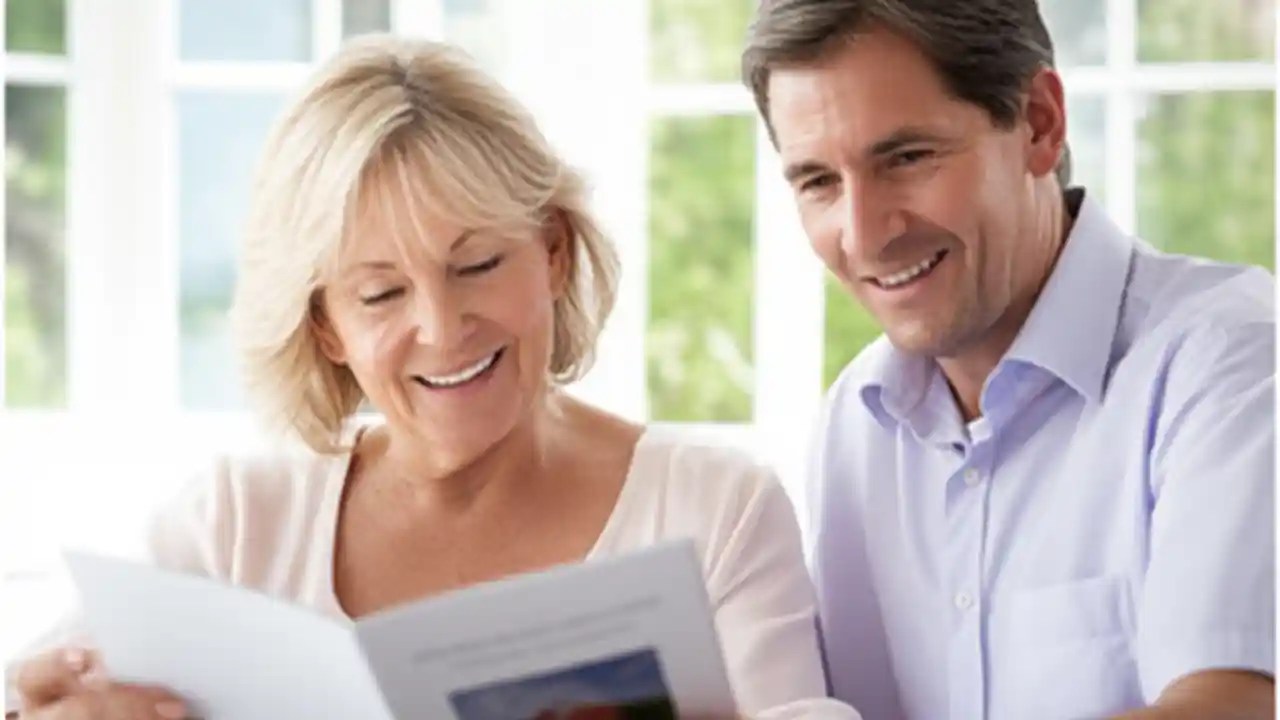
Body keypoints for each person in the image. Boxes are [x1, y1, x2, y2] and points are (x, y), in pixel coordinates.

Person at [7, 35, 858, 720]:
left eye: (479, 264)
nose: (444, 329)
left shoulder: (713, 509)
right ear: (325, 327)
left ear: (554, 252)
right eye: (380, 293)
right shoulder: (233, 525)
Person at [741, 1, 1275, 718]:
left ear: (1038, 123)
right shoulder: (856, 425)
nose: (864, 237)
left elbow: (1226, 709)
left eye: (905, 158)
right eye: (818, 183)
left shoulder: (1227, 361)